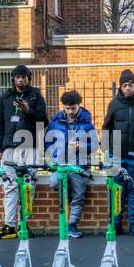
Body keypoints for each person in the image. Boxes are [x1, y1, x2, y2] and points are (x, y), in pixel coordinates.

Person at [0, 65, 47, 238]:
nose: (21, 79)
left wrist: (27, 110)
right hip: (9, 147)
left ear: (28, 78)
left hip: (29, 146)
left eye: (24, 76)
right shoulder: (5, 97)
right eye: (18, 77)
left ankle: (24, 224)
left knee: (28, 186)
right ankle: (9, 225)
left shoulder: (36, 95)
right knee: (10, 185)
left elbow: (43, 120)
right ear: (13, 79)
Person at [102, 69, 134, 237]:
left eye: (130, 85)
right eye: (124, 85)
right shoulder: (114, 104)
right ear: (120, 87)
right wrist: (106, 149)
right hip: (116, 154)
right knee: (116, 191)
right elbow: (107, 126)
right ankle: (115, 225)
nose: (127, 88)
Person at [45, 90, 98, 239]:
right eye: (67, 108)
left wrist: (81, 146)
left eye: (73, 108)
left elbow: (94, 146)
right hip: (61, 163)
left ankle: (72, 225)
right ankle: (67, 198)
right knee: (54, 183)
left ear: (78, 105)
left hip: (80, 163)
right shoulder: (55, 122)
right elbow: (47, 142)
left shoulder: (87, 123)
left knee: (79, 195)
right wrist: (56, 153)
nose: (70, 111)